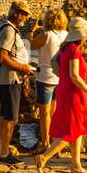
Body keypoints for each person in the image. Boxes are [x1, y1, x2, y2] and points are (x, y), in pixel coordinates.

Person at [35, 16, 87, 173]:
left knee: (77, 129)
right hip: (74, 93)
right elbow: (75, 76)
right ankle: (44, 157)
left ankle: (76, 165)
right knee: (71, 131)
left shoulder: (64, 48)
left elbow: (56, 67)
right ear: (81, 35)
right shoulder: (74, 50)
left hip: (64, 89)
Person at [0, 0, 34, 161]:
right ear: (15, 13)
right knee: (11, 117)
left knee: (4, 115)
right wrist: (22, 68)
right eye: (24, 14)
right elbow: (2, 56)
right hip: (11, 79)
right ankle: (4, 152)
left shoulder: (3, 26)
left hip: (7, 78)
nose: (25, 18)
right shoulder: (9, 30)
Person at [29, 8, 69, 152]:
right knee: (55, 112)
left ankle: (45, 143)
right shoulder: (66, 35)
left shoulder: (46, 35)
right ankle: (54, 143)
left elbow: (29, 46)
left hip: (45, 77)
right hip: (60, 78)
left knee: (44, 113)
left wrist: (31, 31)